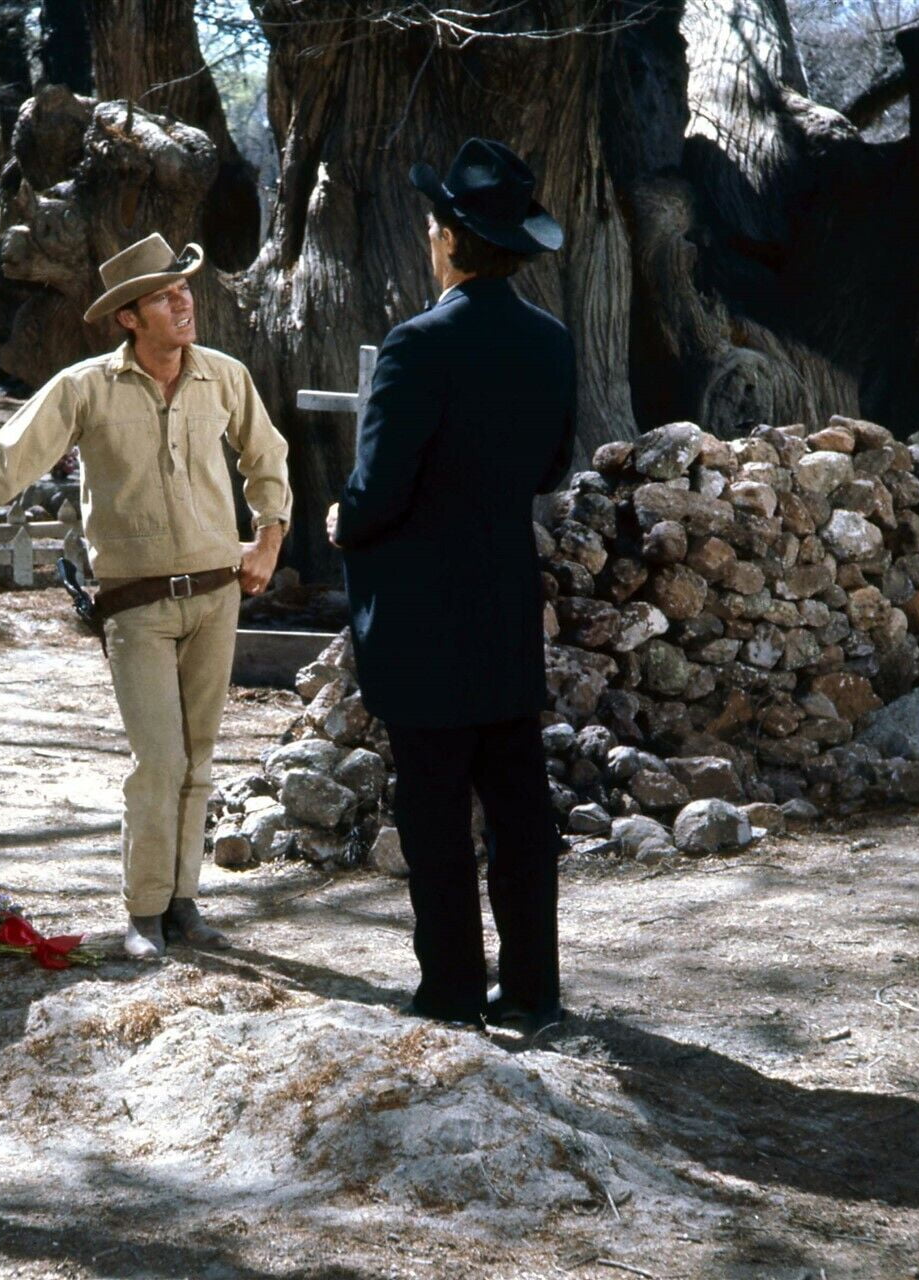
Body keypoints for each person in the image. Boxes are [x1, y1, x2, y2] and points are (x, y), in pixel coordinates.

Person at [0, 233, 291, 959]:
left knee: (200, 756)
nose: (184, 303)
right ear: (128, 318)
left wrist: (269, 535)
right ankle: (142, 913)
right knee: (159, 761)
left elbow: (266, 455)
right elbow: (9, 457)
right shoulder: (85, 388)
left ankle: (183, 905)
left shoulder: (225, 377)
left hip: (216, 595)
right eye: (165, 296)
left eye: (185, 290)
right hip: (135, 604)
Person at [326, 139, 576, 1032]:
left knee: (434, 813)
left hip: (426, 618)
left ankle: (454, 992)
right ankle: (536, 992)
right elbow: (551, 468)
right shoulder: (549, 341)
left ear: (447, 242)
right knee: (517, 810)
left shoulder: (417, 345)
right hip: (504, 602)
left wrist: (341, 521)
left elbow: (379, 488)